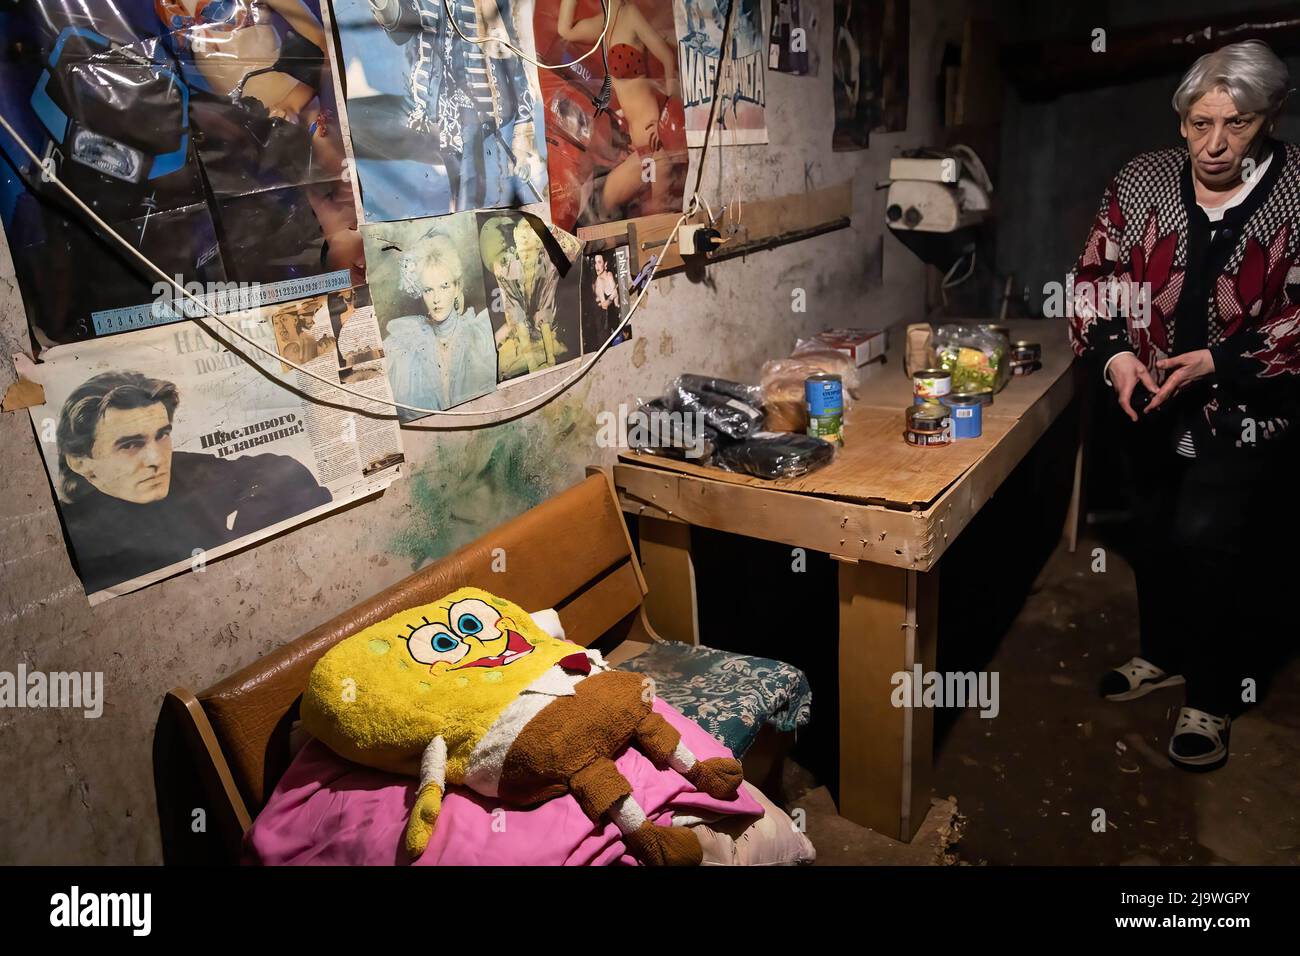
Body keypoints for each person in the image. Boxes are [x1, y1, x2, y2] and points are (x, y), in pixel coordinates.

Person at [1069, 40, 1300, 770]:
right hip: (1146, 407)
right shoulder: (1140, 183)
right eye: (1200, 124)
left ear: (1269, 119)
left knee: (1219, 549)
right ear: (1180, 122)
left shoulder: (1298, 193)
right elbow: (1093, 277)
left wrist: (1220, 361)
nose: (1215, 143)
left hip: (1245, 415)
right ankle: (1162, 654)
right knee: (1155, 535)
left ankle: (1211, 695)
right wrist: (1116, 356)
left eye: (1237, 124)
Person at [56, 370, 332, 595]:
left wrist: (244, 529)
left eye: (162, 435)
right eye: (130, 445)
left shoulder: (184, 468)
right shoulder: (79, 534)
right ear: (80, 462)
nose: (156, 458)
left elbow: (283, 469)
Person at [385, 231, 497, 418]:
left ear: (457, 287)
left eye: (444, 286)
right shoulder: (404, 344)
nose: (436, 299)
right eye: (428, 290)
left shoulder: (480, 333)